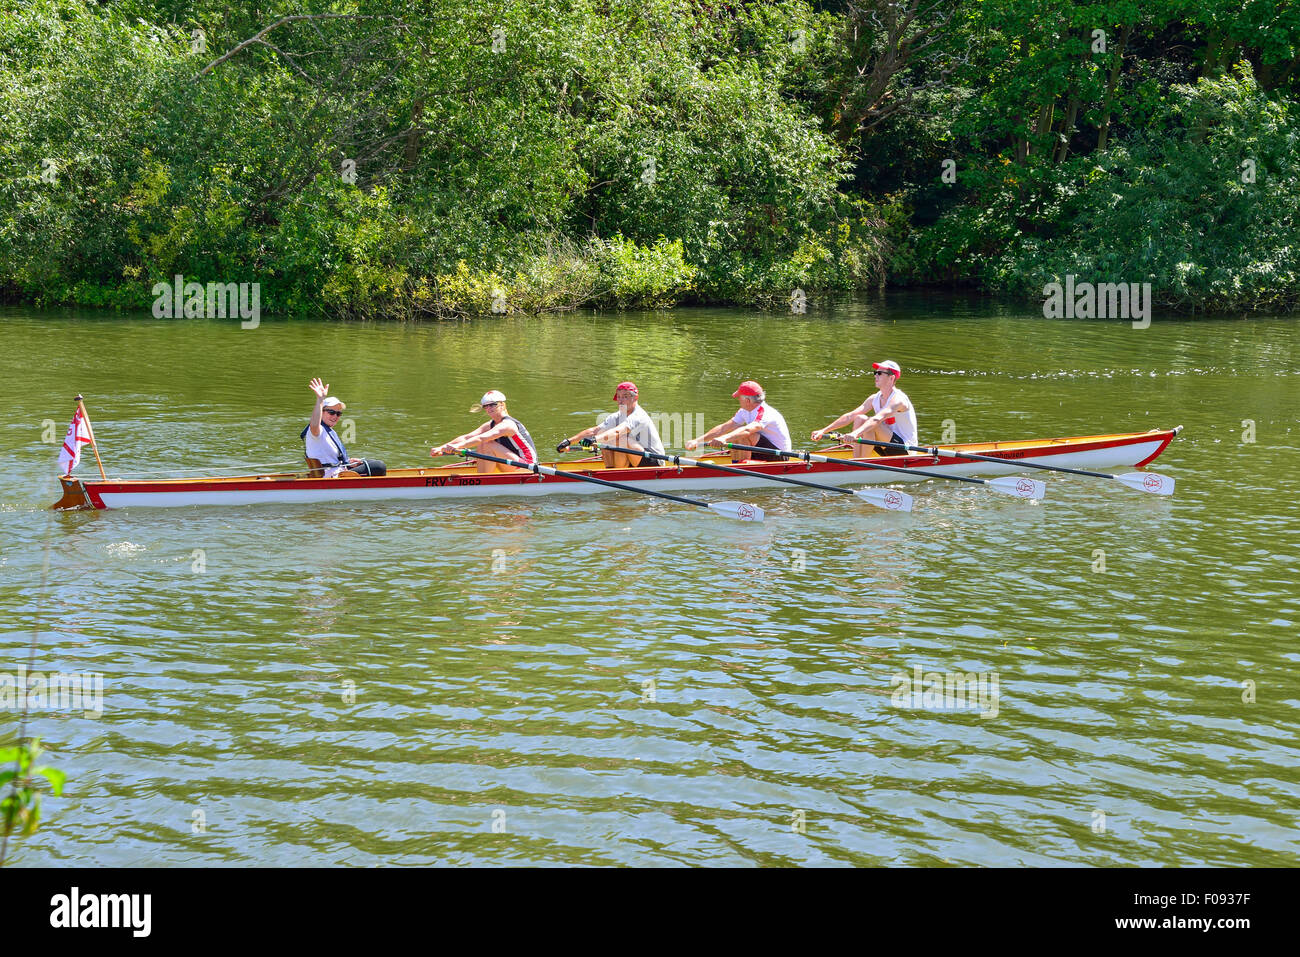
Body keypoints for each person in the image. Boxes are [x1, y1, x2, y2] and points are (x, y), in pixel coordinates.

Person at [810, 359, 918, 458]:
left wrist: (854, 434)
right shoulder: (874, 398)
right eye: (875, 373)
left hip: (905, 450)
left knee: (871, 422)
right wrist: (823, 430)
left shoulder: (898, 399)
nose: (875, 376)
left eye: (880, 373)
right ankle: (857, 460)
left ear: (891, 378)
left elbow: (876, 419)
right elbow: (850, 416)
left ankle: (862, 462)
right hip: (885, 446)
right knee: (860, 418)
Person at [557, 381, 666, 468]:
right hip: (635, 458)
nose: (621, 400)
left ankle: (617, 475)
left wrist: (594, 440)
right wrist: (569, 441)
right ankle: (610, 471)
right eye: (619, 397)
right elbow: (594, 431)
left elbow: (618, 431)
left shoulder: (638, 415)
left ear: (635, 398)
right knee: (605, 437)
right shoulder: (616, 416)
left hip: (654, 461)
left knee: (620, 438)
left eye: (625, 396)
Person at [429, 390, 538, 473]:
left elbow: (481, 438)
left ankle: (481, 482)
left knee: (486, 444)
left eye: (492, 404)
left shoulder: (508, 425)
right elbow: (467, 437)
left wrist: (457, 446)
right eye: (486, 406)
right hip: (511, 463)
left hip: (527, 467)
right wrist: (441, 448)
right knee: (483, 445)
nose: (489, 408)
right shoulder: (490, 424)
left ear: (502, 404)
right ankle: (482, 477)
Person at [685, 380, 792, 463]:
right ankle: (737, 463)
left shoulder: (765, 412)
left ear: (747, 400)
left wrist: (723, 438)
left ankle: (740, 468)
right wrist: (697, 441)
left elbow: (748, 430)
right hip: (761, 451)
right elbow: (725, 427)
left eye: (739, 397)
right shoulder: (744, 411)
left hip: (779, 456)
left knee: (742, 433)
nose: (738, 400)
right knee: (736, 430)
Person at [303, 377, 387, 477]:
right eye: (331, 412)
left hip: (338, 470)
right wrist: (320, 399)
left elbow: (331, 459)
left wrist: (348, 462)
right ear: (322, 412)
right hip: (330, 476)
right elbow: (314, 424)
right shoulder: (317, 430)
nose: (335, 416)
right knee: (379, 466)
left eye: (338, 414)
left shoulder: (329, 431)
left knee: (372, 462)